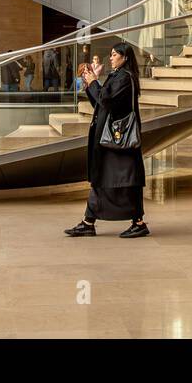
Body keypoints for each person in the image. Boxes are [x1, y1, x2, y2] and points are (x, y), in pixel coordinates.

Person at [65, 42, 148, 238]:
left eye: (113, 55)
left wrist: (94, 81)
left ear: (124, 57)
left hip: (118, 140)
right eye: (110, 54)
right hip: (111, 141)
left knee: (127, 180)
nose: (110, 58)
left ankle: (138, 222)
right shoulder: (117, 76)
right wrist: (89, 84)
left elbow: (106, 101)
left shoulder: (125, 78)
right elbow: (100, 103)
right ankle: (89, 222)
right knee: (107, 179)